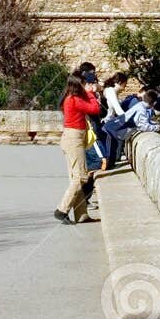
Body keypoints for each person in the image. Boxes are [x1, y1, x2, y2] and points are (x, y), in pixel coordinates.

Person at [54, 73, 101, 225]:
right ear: (78, 85)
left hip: (71, 137)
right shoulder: (74, 100)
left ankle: (81, 214)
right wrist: (92, 93)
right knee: (81, 177)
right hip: (74, 139)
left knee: (75, 177)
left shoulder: (69, 98)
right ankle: (62, 209)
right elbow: (94, 109)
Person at [98, 71, 130, 169]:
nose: (124, 88)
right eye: (124, 85)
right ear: (119, 82)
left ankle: (111, 163)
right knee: (111, 146)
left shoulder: (110, 91)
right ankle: (109, 164)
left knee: (113, 145)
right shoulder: (110, 91)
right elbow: (117, 109)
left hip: (108, 122)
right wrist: (129, 119)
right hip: (107, 123)